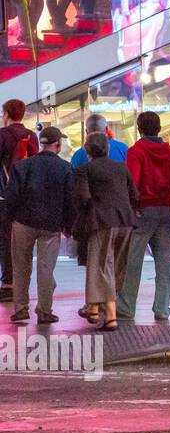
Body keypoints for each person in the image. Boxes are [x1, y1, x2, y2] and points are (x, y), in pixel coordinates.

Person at [5, 126, 74, 324]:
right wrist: (68, 226)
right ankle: (44, 310)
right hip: (51, 225)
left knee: (20, 266)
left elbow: (12, 196)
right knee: (46, 269)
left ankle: (20, 308)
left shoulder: (23, 166)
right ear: (57, 145)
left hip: (23, 222)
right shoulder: (66, 168)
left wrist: (11, 219)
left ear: (41, 144)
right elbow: (70, 201)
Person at [119, 111, 170, 321]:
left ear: (139, 128)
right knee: (165, 261)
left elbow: (132, 182)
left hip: (143, 211)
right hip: (166, 210)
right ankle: (162, 308)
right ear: (159, 128)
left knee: (132, 261)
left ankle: (127, 307)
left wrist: (134, 206)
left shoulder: (136, 151)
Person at [75, 132, 137, 331]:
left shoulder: (85, 169)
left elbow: (84, 198)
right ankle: (94, 308)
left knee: (100, 266)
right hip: (126, 222)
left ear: (87, 150)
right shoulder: (121, 167)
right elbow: (135, 194)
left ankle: (110, 316)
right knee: (116, 267)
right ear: (108, 149)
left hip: (102, 221)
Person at [0, 98, 38, 300]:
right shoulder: (31, 136)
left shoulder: (2, 135)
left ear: (6, 114)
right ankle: (22, 282)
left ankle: (8, 283)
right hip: (27, 197)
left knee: (5, 240)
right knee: (24, 240)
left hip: (5, 195)